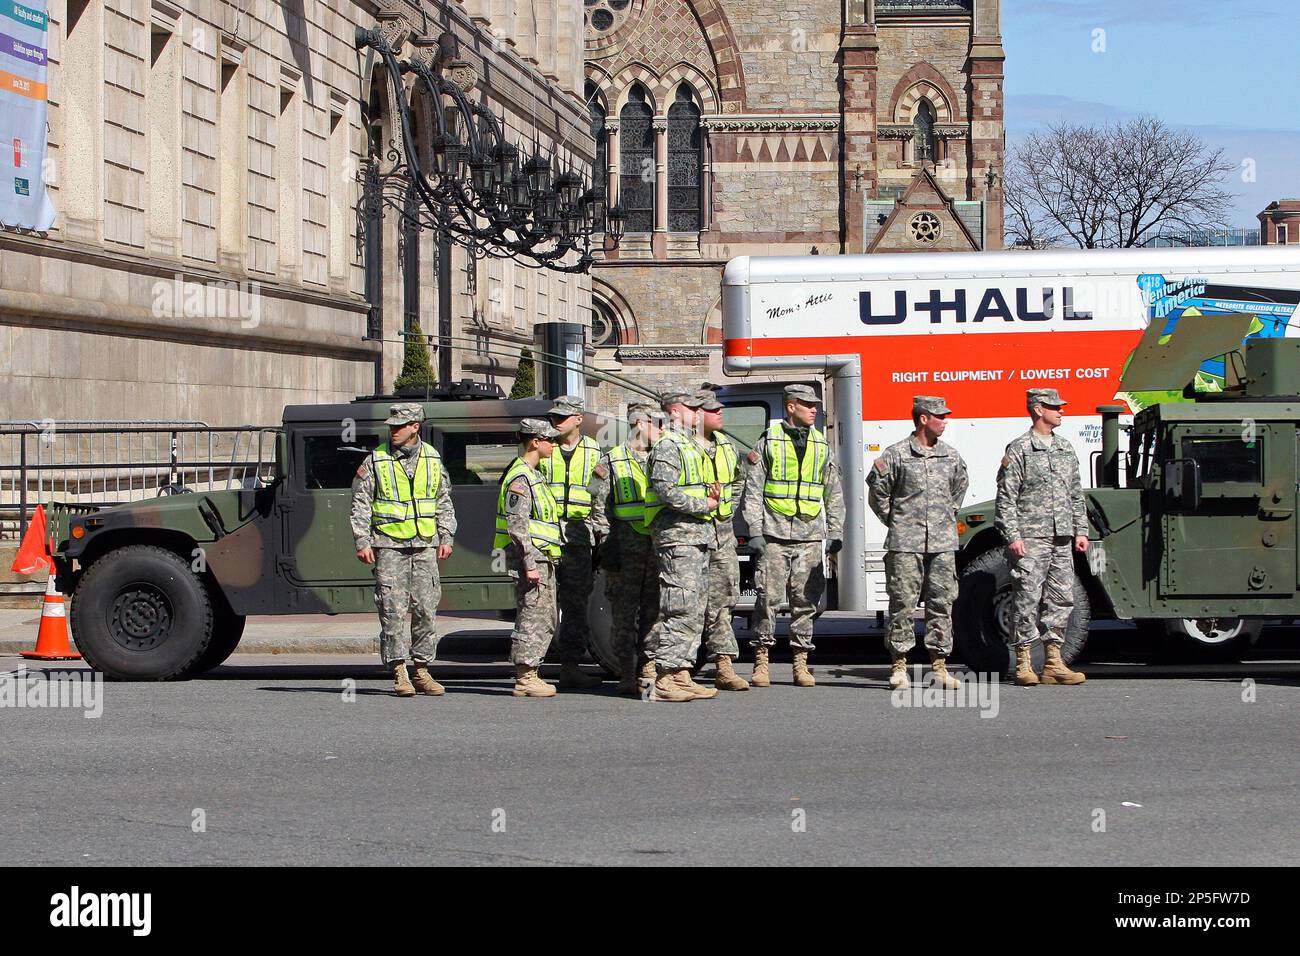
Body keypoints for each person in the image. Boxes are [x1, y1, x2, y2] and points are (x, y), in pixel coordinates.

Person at [741, 384, 845, 687]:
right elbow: (753, 491)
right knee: (767, 600)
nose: (814, 409)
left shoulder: (822, 445)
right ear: (790, 407)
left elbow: (833, 493)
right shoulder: (768, 442)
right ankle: (762, 661)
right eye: (807, 404)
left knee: (806, 600)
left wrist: (835, 531)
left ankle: (801, 662)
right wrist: (755, 531)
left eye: (815, 405)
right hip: (774, 534)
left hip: (810, 534)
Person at [350, 402, 456, 698]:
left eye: (399, 426)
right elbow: (360, 503)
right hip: (389, 546)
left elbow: (443, 500)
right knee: (392, 610)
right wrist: (362, 540)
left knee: (425, 608)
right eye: (391, 427)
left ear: (415, 428)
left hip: (424, 545)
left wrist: (446, 536)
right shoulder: (376, 460)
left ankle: (421, 670)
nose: (393, 431)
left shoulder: (433, 459)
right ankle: (399, 671)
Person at [867, 396, 968, 691]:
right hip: (905, 543)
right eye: (939, 416)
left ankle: (939, 666)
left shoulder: (950, 455)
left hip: (942, 543)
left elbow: (959, 488)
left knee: (942, 603)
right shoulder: (896, 454)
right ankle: (899, 665)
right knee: (902, 603)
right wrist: (898, 521)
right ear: (923, 418)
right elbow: (878, 493)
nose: (945, 421)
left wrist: (946, 518)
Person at [995, 387, 1089, 687]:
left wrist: (1081, 530)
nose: (1061, 411)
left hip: (1061, 537)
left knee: (1061, 599)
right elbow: (1006, 498)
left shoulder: (1065, 448)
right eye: (1054, 407)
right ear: (1038, 410)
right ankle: (1023, 662)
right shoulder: (1020, 448)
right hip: (1030, 538)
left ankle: (1053, 663)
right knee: (1027, 598)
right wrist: (1012, 535)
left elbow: (1075, 493)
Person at [642, 391, 722, 701]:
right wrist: (703, 504)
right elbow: (665, 491)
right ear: (675, 410)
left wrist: (710, 495)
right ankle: (663, 679)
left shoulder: (688, 446)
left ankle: (681, 673)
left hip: (696, 537)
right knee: (679, 606)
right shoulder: (668, 446)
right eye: (692, 408)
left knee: (694, 609)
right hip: (677, 536)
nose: (698, 412)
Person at [588, 401, 664, 695]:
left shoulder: (661, 457)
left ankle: (648, 667)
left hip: (654, 546)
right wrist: (606, 545)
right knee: (622, 611)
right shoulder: (612, 461)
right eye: (655, 423)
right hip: (624, 546)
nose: (660, 430)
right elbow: (599, 507)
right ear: (639, 424)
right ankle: (625, 671)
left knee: (654, 611)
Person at [495, 418, 565, 698]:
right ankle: (525, 676)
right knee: (531, 616)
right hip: (532, 560)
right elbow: (517, 526)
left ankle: (531, 672)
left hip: (542, 557)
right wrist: (529, 564)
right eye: (550, 440)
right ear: (535, 441)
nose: (553, 445)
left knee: (543, 616)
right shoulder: (521, 477)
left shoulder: (536, 474)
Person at [540, 395, 605, 689]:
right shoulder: (542, 448)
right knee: (541, 603)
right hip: (547, 534)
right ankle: (532, 668)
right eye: (554, 417)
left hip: (580, 536)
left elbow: (601, 497)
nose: (556, 422)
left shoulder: (594, 451)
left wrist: (601, 535)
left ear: (578, 419)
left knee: (576, 603)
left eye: (562, 418)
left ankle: (570, 665)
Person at [694, 389, 749, 691]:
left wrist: (727, 508)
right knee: (688, 604)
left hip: (722, 533)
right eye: (713, 410)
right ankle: (678, 669)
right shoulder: (685, 448)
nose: (720, 414)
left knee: (724, 600)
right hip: (693, 534)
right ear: (697, 415)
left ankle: (723, 665)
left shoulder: (726, 446)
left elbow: (739, 478)